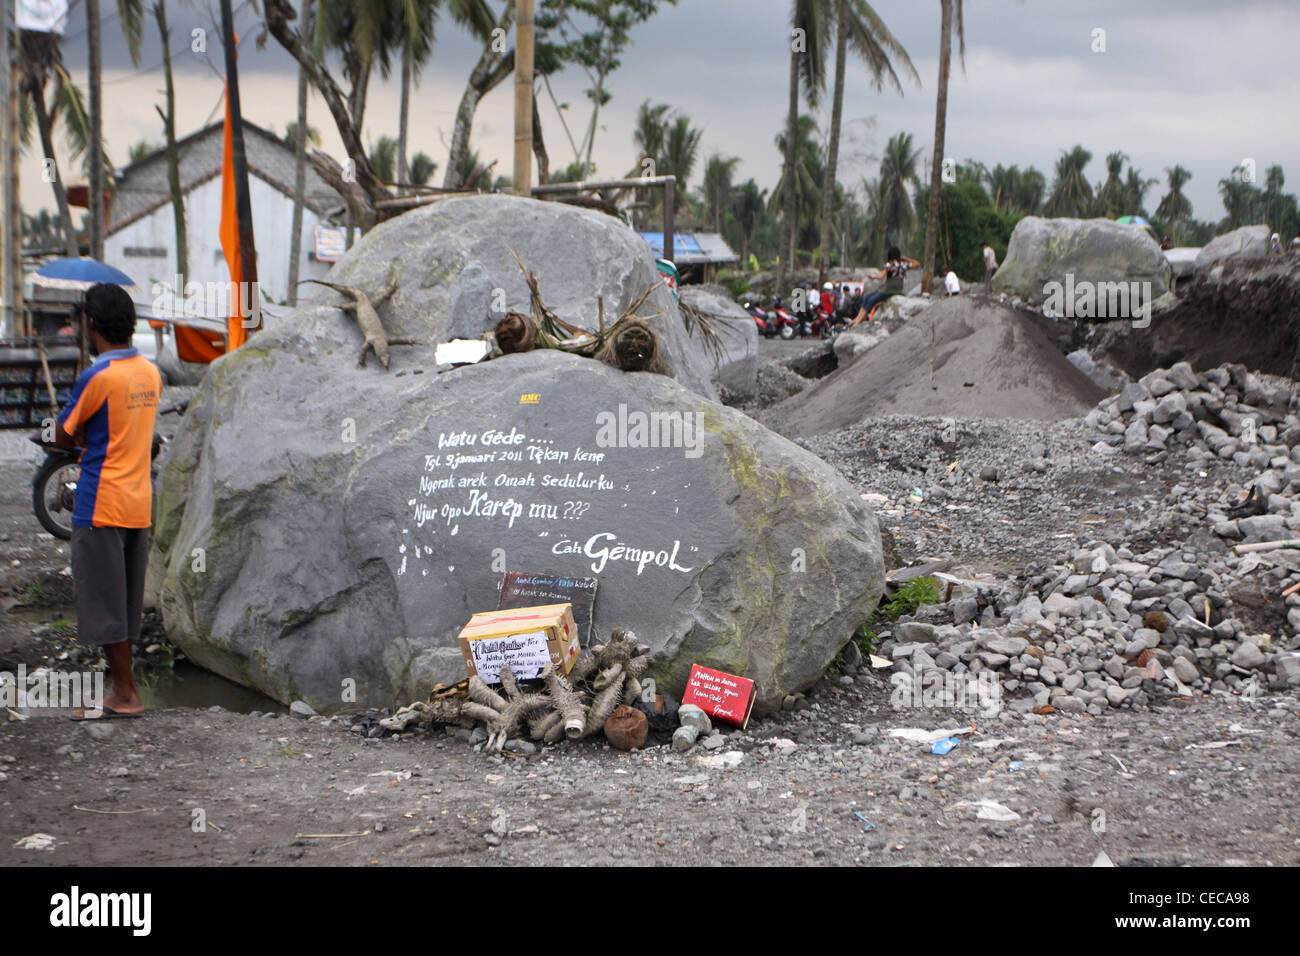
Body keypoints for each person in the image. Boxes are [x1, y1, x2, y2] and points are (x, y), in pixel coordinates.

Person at [56, 284, 163, 719]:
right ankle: (124, 688)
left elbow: (61, 434)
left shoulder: (97, 376)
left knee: (103, 600)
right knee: (123, 600)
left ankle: (125, 692)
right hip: (138, 502)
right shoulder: (150, 372)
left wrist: (67, 433)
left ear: (92, 324)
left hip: (100, 502)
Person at [851, 246, 919, 325]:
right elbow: (917, 264)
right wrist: (905, 258)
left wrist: (873, 276)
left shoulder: (889, 265)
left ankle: (858, 320)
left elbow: (881, 277)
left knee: (870, 299)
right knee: (869, 298)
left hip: (888, 288)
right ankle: (858, 319)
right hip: (898, 288)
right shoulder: (903, 265)